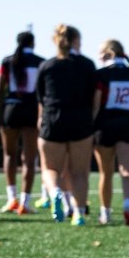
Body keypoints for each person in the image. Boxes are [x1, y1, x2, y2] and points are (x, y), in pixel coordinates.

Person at [36, 24, 98, 225]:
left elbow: (41, 99)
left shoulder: (47, 66)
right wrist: (92, 118)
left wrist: (41, 120)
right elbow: (95, 95)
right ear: (76, 41)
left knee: (50, 168)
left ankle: (55, 193)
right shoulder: (87, 65)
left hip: (53, 119)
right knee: (79, 172)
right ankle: (78, 213)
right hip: (81, 120)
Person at [0, 31, 44, 214]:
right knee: (29, 158)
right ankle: (25, 202)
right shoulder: (40, 61)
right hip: (32, 110)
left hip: (11, 110)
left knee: (9, 155)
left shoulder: (8, 61)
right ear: (33, 43)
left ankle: (12, 198)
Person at [90, 40, 129, 225]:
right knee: (126, 170)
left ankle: (106, 212)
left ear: (108, 52)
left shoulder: (101, 74)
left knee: (106, 172)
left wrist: (92, 126)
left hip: (105, 123)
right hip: (128, 122)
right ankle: (128, 206)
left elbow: (96, 104)